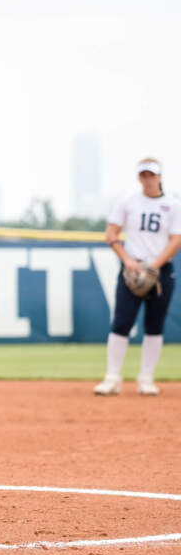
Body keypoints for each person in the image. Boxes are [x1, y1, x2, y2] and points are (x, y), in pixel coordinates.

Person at [95, 158, 181, 396]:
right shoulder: (128, 202)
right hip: (132, 269)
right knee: (121, 322)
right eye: (143, 175)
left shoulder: (173, 204)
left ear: (160, 176)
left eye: (151, 175)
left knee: (154, 325)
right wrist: (127, 260)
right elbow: (111, 232)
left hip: (161, 271)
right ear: (139, 177)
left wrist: (155, 265)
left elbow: (176, 239)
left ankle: (146, 378)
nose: (148, 179)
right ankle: (112, 377)